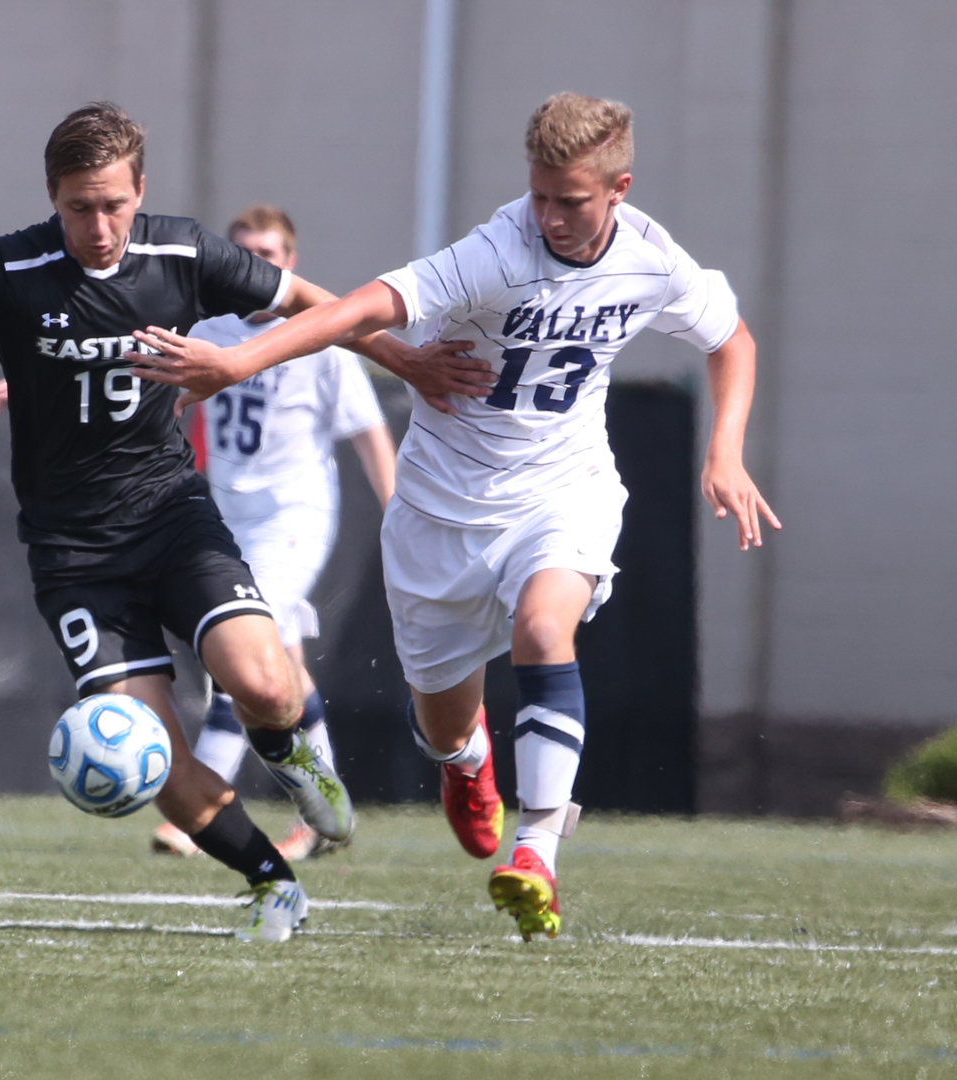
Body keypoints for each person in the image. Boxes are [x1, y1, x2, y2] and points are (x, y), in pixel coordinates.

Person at [128, 92, 780, 941]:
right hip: (442, 508)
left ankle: (536, 851)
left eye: (571, 201)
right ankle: (465, 757)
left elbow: (733, 341)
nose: (548, 217)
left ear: (619, 189)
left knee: (544, 630)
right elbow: (355, 309)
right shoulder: (497, 252)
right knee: (441, 721)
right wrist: (237, 361)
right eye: (538, 195)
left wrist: (725, 451)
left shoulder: (654, 261)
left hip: (564, 490)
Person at [0, 103, 459, 942]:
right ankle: (272, 882)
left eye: (113, 206)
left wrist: (407, 361)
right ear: (52, 198)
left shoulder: (183, 253)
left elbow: (308, 301)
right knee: (152, 750)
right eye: (78, 208)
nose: (98, 228)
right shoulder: (5, 266)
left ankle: (300, 766)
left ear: (141, 190)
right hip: (74, 557)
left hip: (172, 518)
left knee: (266, 684)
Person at [147, 205, 397, 862]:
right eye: (244, 254)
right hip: (224, 517)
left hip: (293, 518)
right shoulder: (208, 328)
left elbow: (369, 432)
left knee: (241, 654)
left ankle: (199, 807)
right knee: (281, 665)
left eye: (269, 255)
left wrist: (401, 515)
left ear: (291, 264)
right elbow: (139, 377)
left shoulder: (320, 336)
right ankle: (325, 811)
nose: (256, 266)